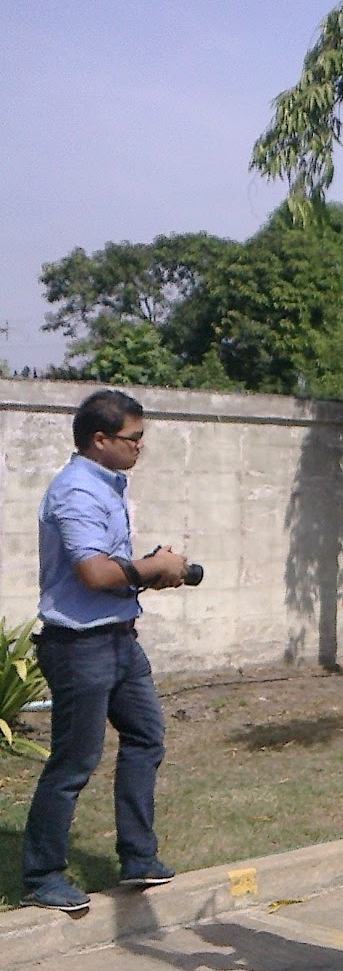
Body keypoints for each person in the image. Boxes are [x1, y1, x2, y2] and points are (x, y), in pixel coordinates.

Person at [22, 389, 189, 913]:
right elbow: (94, 574)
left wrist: (149, 575)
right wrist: (155, 566)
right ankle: (42, 875)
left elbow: (112, 571)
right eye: (132, 438)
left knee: (145, 736)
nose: (140, 447)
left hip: (118, 638)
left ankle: (138, 857)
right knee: (75, 760)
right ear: (100, 440)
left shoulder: (107, 485)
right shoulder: (76, 491)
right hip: (79, 645)